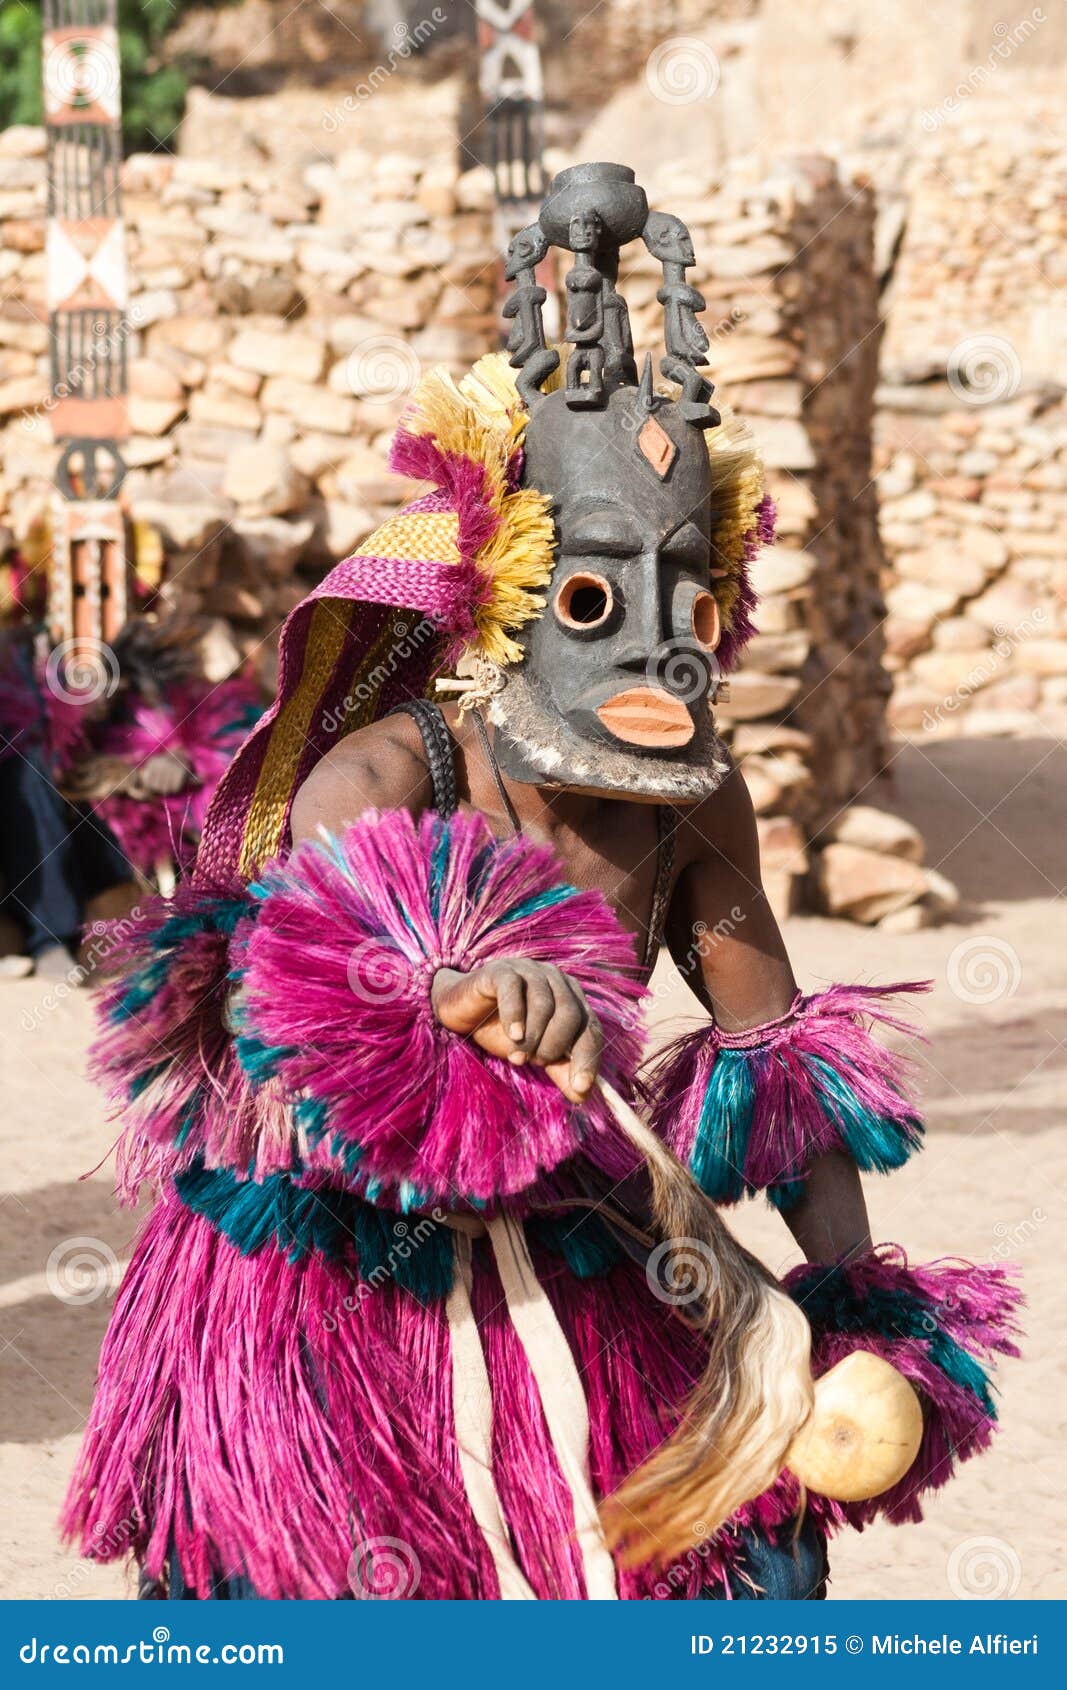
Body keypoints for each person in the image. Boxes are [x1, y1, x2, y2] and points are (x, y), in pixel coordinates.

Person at [64, 165, 1019, 1602]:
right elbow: (328, 990)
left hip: (584, 1248)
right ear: (511, 589)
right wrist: (461, 989)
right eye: (594, 599)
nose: (649, 645)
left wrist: (848, 1310)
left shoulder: (696, 799)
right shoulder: (385, 781)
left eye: (685, 600)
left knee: (758, 1569)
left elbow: (780, 1063)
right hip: (337, 1290)